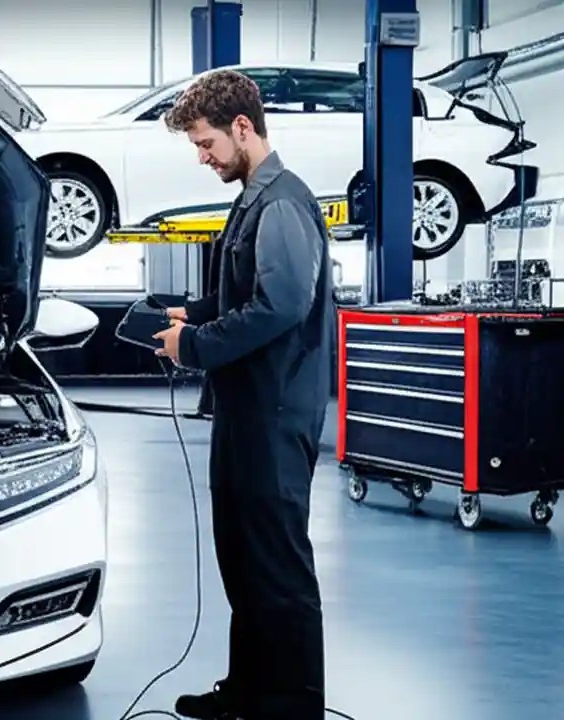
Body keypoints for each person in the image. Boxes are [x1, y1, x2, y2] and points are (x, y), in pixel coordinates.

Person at [151, 70, 335, 720]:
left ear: (242, 127)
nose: (203, 158)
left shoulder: (282, 200)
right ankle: (251, 691)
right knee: (243, 555)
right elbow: (245, 293)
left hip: (275, 413)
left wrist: (194, 347)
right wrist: (188, 315)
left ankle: (291, 706)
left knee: (276, 565)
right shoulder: (254, 196)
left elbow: (282, 305)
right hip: (245, 411)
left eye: (205, 144)